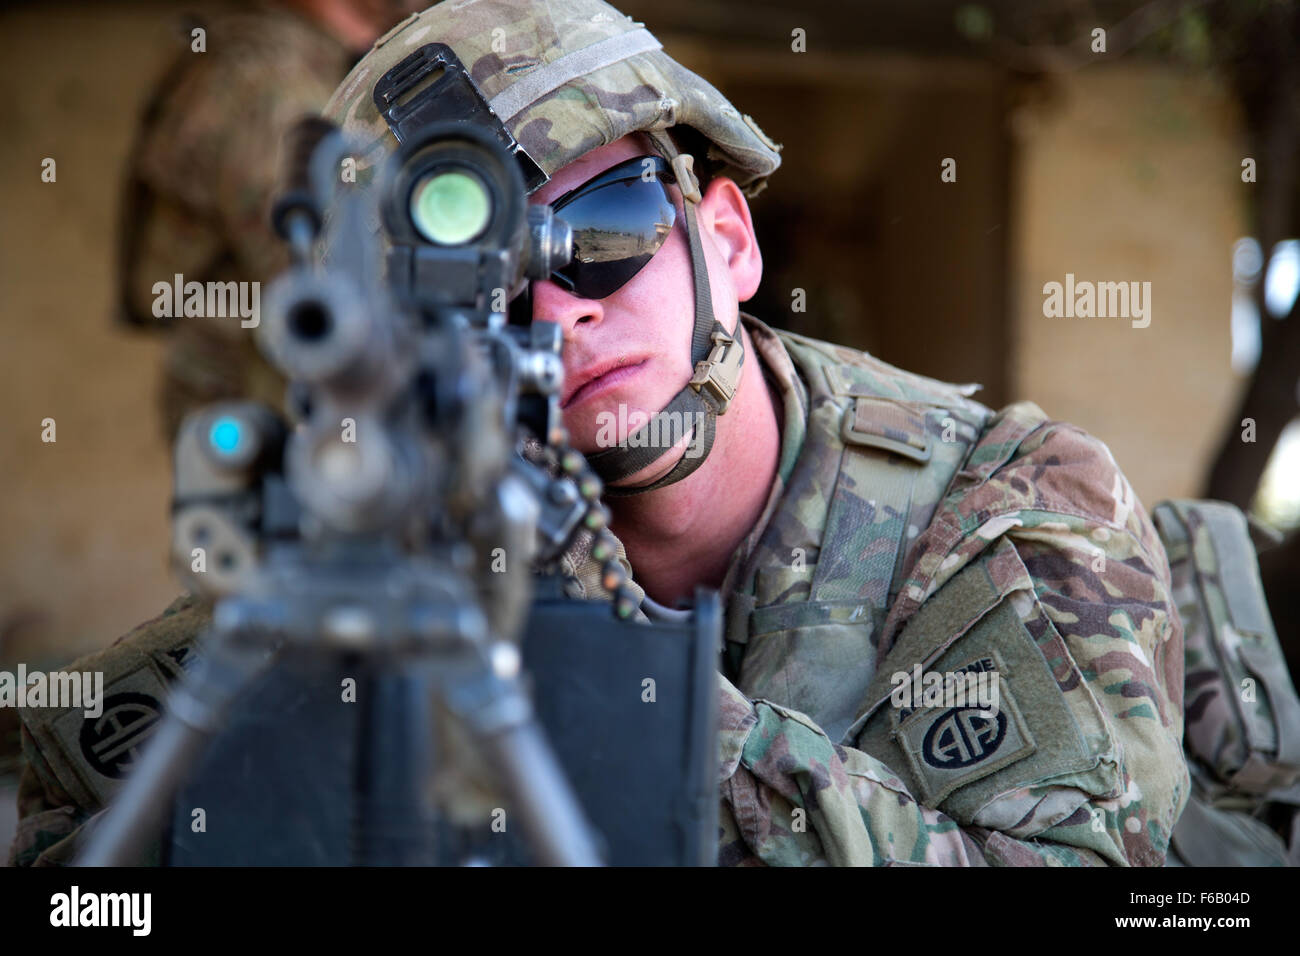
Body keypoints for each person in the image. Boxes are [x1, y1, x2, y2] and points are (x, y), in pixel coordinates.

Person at [10, 0, 1190, 866]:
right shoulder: (395, 548)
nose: (559, 306)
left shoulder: (1005, 513)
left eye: (608, 224)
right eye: (475, 281)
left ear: (726, 240)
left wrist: (608, 671)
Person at [117, 0, 426, 439]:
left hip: (290, 406)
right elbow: (322, 274)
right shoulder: (273, 88)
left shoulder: (310, 66)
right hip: (261, 420)